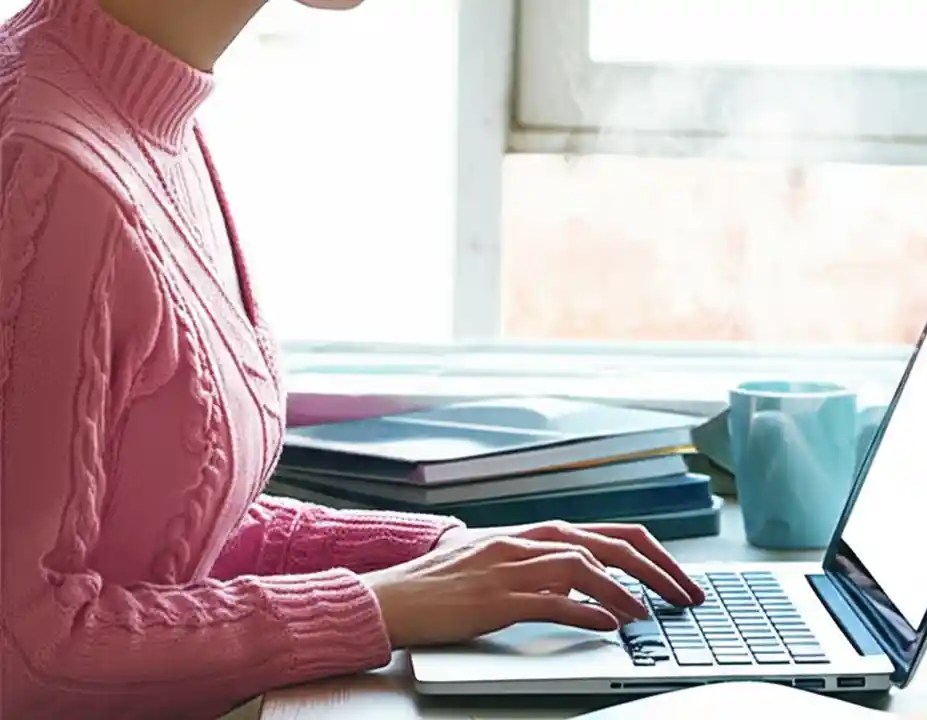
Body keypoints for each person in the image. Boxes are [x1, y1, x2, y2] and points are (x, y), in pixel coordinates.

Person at [0, 1, 705, 717]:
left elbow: (160, 525)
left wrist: (446, 556)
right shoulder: (53, 167)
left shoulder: (137, 102)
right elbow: (21, 655)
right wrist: (378, 606)